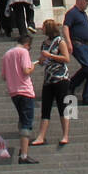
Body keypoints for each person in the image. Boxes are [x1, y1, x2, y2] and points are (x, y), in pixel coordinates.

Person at [30, 19, 72, 148]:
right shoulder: (44, 43)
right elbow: (44, 61)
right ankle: (41, 136)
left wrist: (51, 56)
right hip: (48, 79)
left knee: (63, 107)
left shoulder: (60, 41)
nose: (41, 29)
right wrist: (41, 60)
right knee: (46, 108)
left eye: (43, 27)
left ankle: (65, 135)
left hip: (61, 78)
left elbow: (66, 58)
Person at [1, 35, 38, 164]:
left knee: (22, 119)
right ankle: (24, 155)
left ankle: (23, 149)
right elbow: (26, 70)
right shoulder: (24, 52)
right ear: (27, 44)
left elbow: (4, 76)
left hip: (13, 91)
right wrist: (33, 65)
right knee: (27, 121)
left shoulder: (6, 54)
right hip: (25, 90)